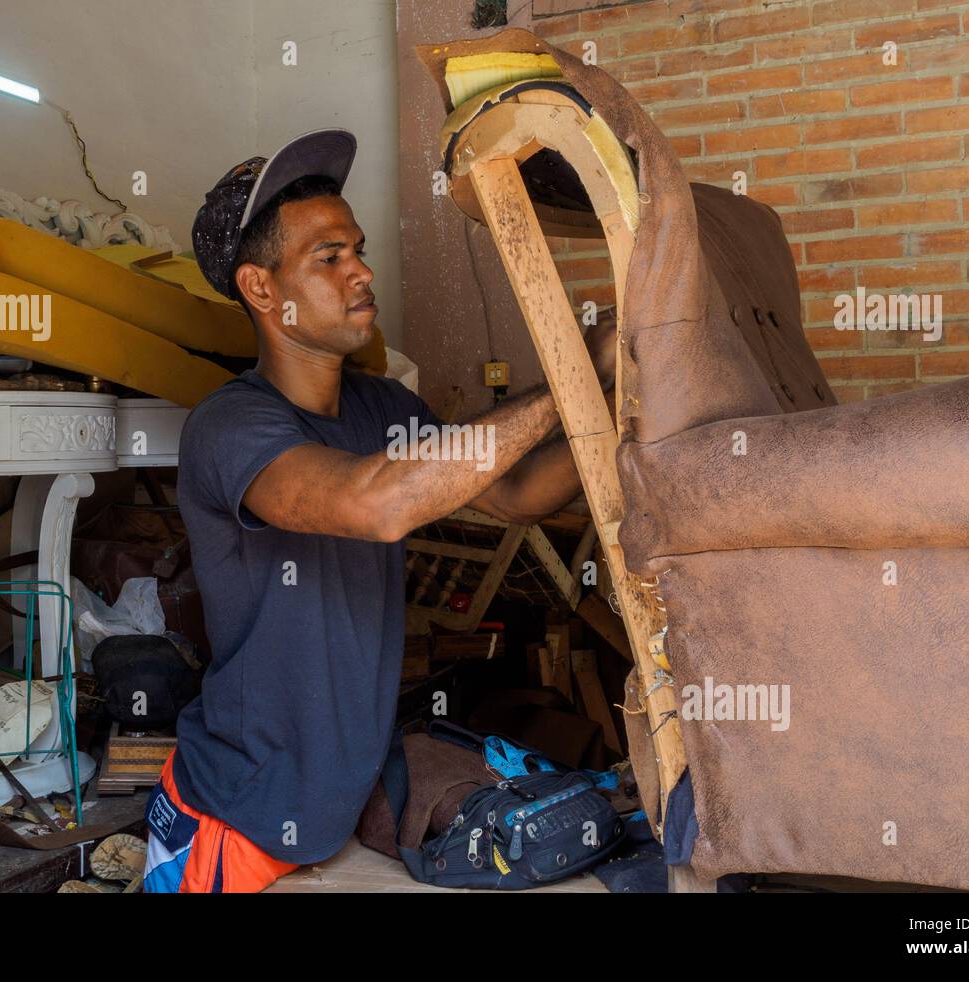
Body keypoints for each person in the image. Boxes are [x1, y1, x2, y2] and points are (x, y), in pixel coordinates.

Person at [143, 129, 615, 892]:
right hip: (234, 820)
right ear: (263, 291)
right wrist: (567, 376)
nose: (361, 272)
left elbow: (519, 495)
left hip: (330, 811)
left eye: (356, 249)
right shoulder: (230, 427)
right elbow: (380, 503)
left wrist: (613, 402)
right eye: (327, 258)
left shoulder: (382, 406)